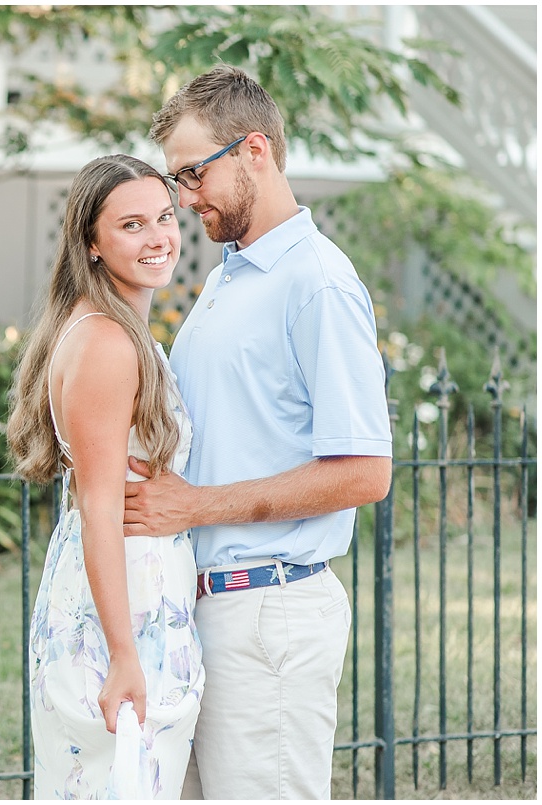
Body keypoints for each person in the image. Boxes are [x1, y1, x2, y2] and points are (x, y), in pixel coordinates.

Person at [124, 64, 394, 800]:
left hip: (269, 613)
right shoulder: (227, 276)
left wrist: (194, 506)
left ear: (254, 151)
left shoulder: (320, 284)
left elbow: (365, 472)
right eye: (175, 179)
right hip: (198, 613)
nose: (183, 199)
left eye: (192, 175)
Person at [8, 154, 206, 800]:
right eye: (131, 225)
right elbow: (99, 507)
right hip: (121, 610)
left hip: (143, 593)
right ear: (91, 243)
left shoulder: (118, 332)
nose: (158, 238)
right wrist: (124, 654)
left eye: (165, 218)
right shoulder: (106, 344)